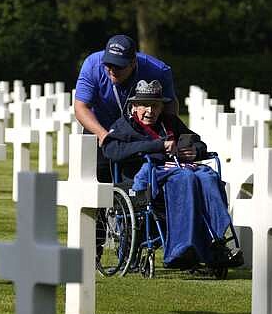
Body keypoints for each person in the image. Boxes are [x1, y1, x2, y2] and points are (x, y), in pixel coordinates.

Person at [101, 79, 241, 269]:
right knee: (186, 178)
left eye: (155, 106)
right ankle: (181, 248)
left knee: (208, 177)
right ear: (134, 106)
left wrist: (195, 151)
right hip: (146, 179)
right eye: (144, 105)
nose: (150, 111)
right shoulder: (124, 126)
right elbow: (111, 150)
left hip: (179, 171)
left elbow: (199, 143)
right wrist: (157, 146)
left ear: (161, 107)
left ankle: (217, 240)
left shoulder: (169, 122)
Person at [74, 34, 178, 182]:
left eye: (119, 66)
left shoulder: (158, 71)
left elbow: (169, 105)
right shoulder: (92, 65)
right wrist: (104, 136)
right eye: (108, 65)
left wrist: (169, 134)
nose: (112, 70)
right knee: (99, 178)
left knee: (137, 178)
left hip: (140, 131)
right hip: (100, 125)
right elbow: (81, 107)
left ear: (133, 63)